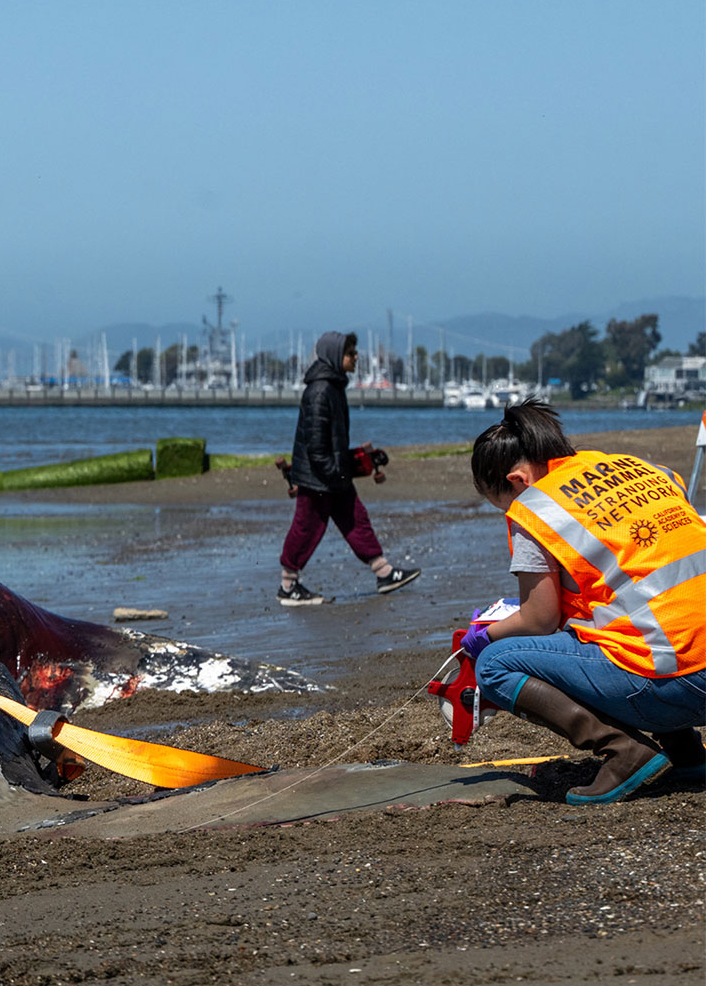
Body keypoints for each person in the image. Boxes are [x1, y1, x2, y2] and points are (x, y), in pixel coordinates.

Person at [459, 401, 706, 803]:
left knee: (496, 665)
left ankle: (625, 751)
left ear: (518, 481)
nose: (507, 512)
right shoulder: (636, 469)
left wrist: (485, 634)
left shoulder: (535, 507)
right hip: (692, 655)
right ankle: (686, 751)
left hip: (679, 682)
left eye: (500, 503)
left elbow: (540, 619)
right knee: (637, 619)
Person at [277, 330, 420, 606]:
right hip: (319, 477)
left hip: (332, 475)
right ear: (335, 356)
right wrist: (334, 473)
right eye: (350, 353)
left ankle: (384, 572)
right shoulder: (320, 391)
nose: (356, 357)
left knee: (356, 519)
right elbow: (316, 445)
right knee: (307, 527)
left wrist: (347, 467)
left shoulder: (333, 386)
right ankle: (288, 585)